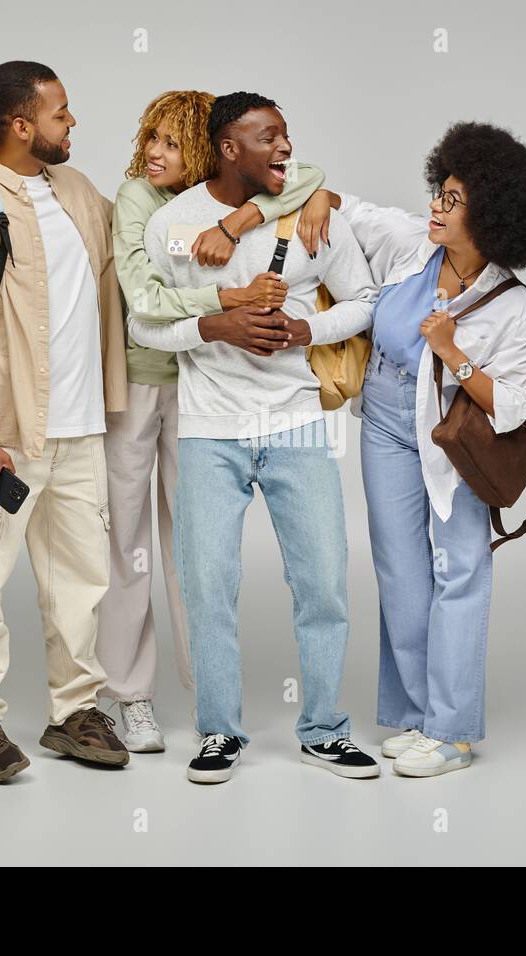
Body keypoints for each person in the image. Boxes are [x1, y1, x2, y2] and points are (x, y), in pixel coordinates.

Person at [127, 92, 379, 784]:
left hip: (298, 423)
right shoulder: (175, 224)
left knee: (324, 581)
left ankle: (324, 729)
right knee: (208, 588)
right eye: (267, 137)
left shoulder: (308, 215)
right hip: (209, 430)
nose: (284, 148)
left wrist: (305, 331)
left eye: (286, 135)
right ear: (227, 149)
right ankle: (219, 732)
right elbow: (143, 325)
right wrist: (216, 325)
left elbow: (363, 300)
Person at [305, 121, 526, 777]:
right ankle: (418, 716)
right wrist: (314, 203)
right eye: (437, 193)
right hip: (383, 418)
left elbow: (518, 406)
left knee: (461, 570)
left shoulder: (508, 304)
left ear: (490, 216)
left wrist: (454, 355)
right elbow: (337, 203)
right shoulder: (412, 244)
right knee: (399, 571)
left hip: (450, 438)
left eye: (452, 199)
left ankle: (452, 732)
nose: (435, 208)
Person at [100, 90, 328, 752]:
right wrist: (224, 303)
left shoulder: (218, 197)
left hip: (203, 395)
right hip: (141, 385)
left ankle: (212, 702)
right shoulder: (141, 201)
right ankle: (131, 695)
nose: (153, 153)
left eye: (170, 143)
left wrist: (283, 205)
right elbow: (144, 299)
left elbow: (306, 175)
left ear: (205, 150)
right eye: (150, 138)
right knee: (128, 545)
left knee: (194, 555)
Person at [0, 60, 130, 783]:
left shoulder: (77, 191)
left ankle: (74, 711)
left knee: (80, 580)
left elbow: (141, 233)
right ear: (21, 125)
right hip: (5, 435)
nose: (72, 123)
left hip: (81, 430)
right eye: (60, 112)